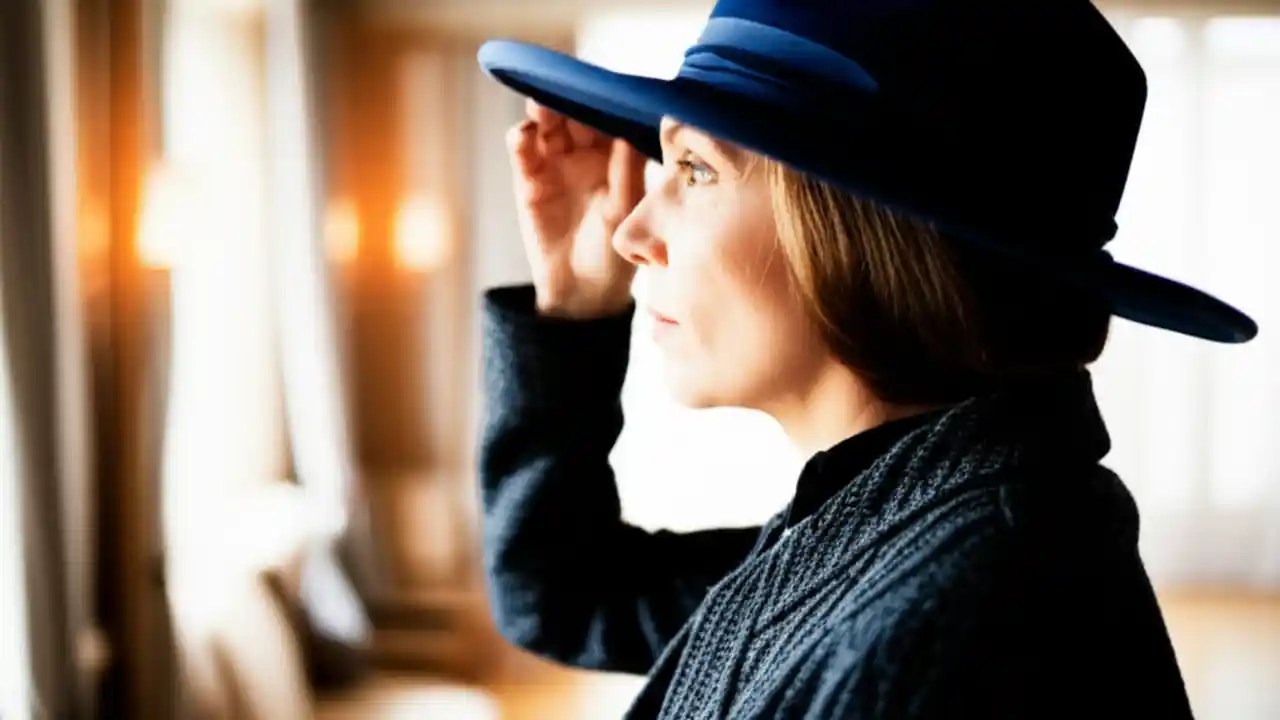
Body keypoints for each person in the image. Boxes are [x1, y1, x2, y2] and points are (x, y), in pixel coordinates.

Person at [473, 1, 1257, 717]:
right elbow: (561, 593)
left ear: (857, 228)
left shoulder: (958, 627)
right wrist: (574, 310)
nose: (630, 234)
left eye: (696, 169)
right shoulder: (896, 530)